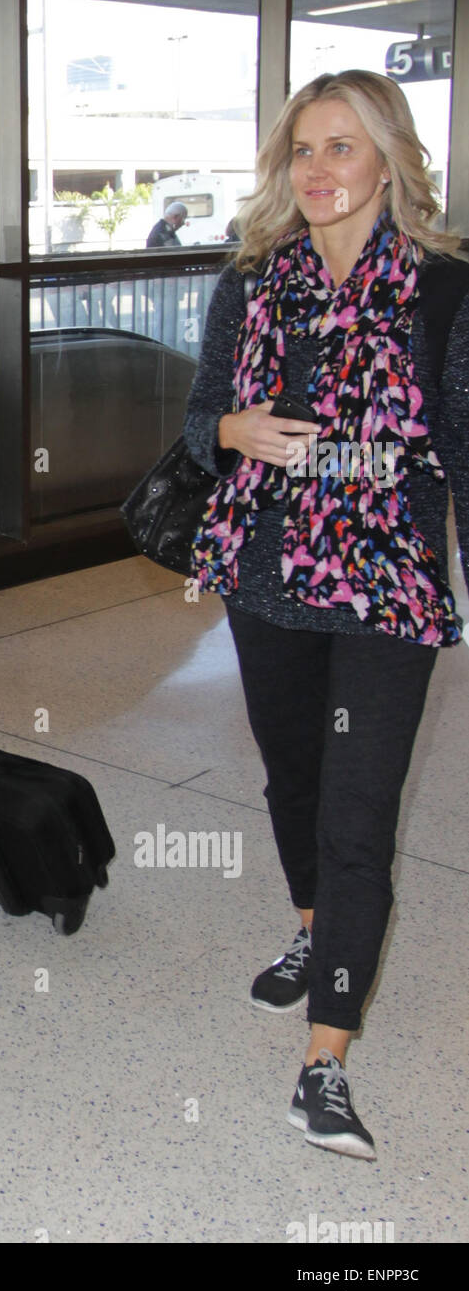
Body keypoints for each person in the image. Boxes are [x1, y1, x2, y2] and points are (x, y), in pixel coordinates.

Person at [183, 70, 469, 1160]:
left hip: (389, 583)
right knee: (294, 773)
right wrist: (234, 431)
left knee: (357, 812)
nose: (315, 170)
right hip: (264, 573)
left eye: (340, 148)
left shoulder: (442, 294)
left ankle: (324, 1063)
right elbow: (200, 414)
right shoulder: (251, 283)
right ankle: (311, 929)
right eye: (301, 150)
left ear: (389, 160)